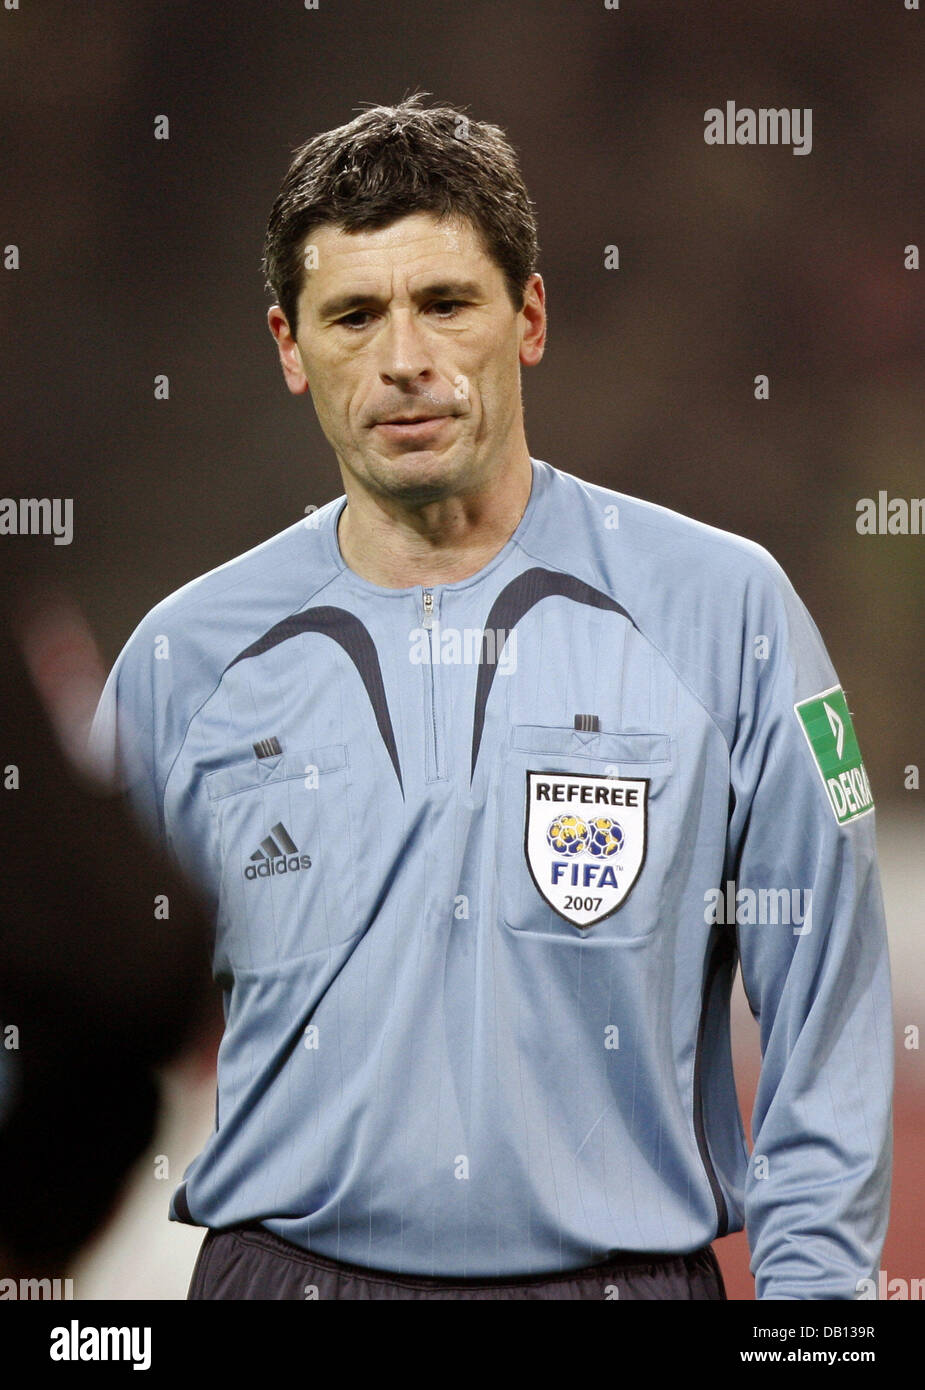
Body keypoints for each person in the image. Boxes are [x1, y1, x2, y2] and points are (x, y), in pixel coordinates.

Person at [89, 95, 892, 1301]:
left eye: (447, 304)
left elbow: (826, 1014)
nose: (404, 358)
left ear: (527, 317)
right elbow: (63, 1006)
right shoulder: (182, 660)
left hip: (619, 1281)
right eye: (353, 314)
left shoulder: (725, 611)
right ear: (289, 345)